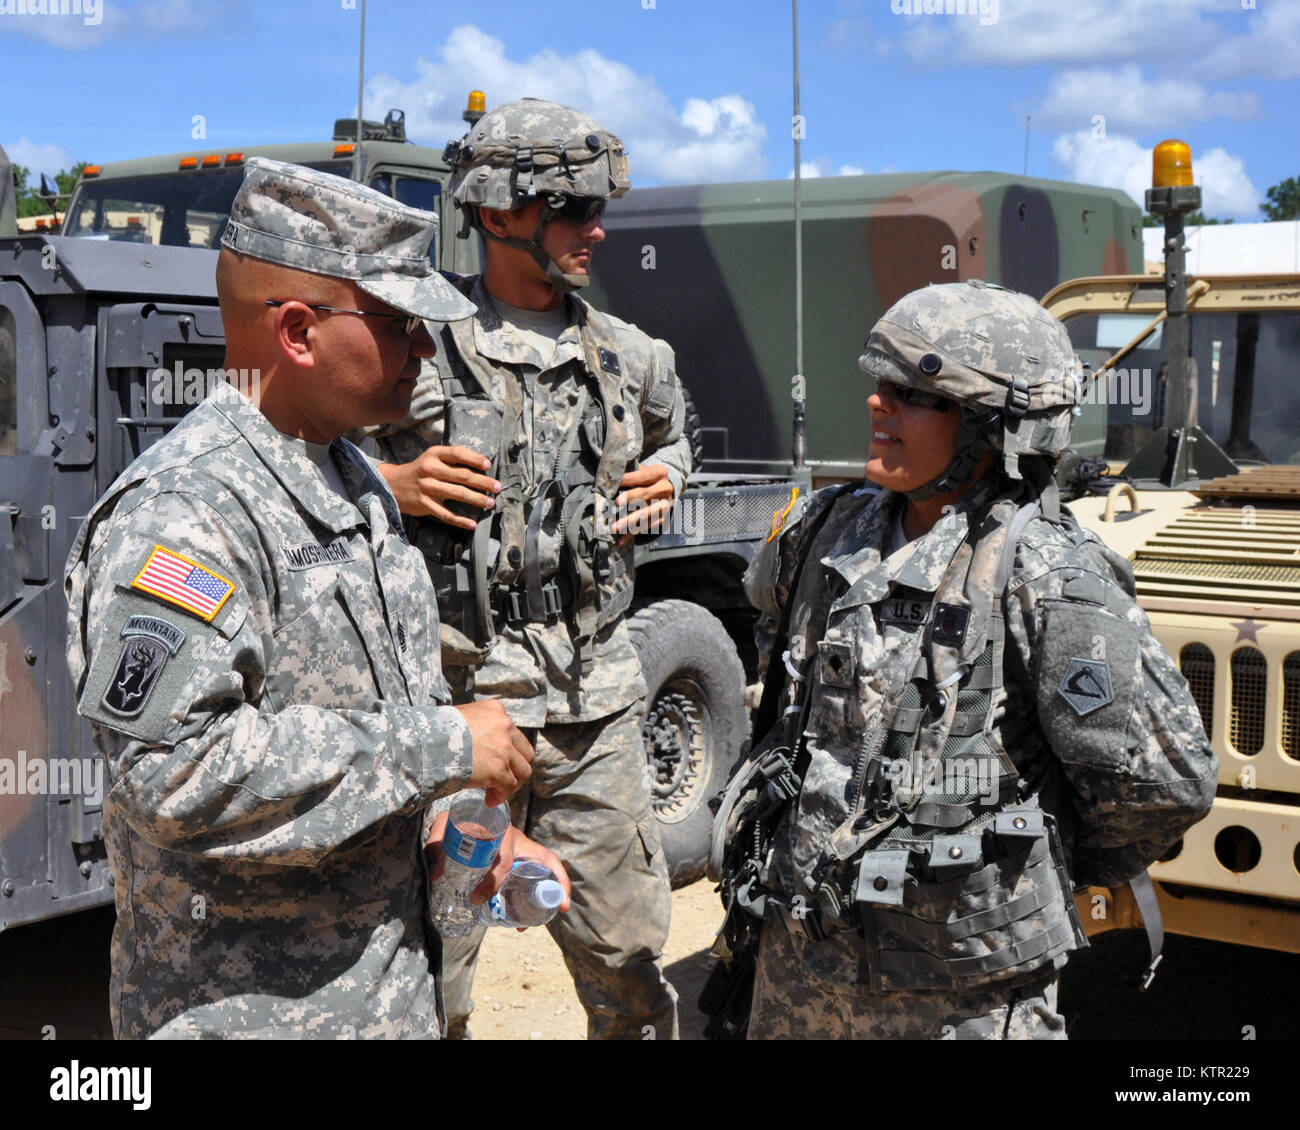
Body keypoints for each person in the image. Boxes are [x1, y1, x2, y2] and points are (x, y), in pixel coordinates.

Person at [63, 156, 565, 1039]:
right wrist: (442, 744)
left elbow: (377, 708)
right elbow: (171, 774)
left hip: (385, 999)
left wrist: (451, 822)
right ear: (296, 331)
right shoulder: (187, 512)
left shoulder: (355, 479)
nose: (424, 351)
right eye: (400, 324)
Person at [710, 280, 1217, 1040]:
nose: (880, 406)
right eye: (882, 386)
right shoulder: (825, 530)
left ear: (993, 427)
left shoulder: (1049, 575)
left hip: (960, 996)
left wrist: (1024, 863)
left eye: (917, 395)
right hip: (799, 970)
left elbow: (1159, 787)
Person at [370, 99, 690, 1039]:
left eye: (601, 210)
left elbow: (683, 439)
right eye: (575, 209)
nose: (598, 231)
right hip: (457, 709)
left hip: (597, 703)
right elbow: (302, 471)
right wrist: (397, 481)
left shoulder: (631, 356)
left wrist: (668, 477)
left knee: (629, 961)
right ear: (502, 212)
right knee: (436, 977)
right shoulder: (412, 343)